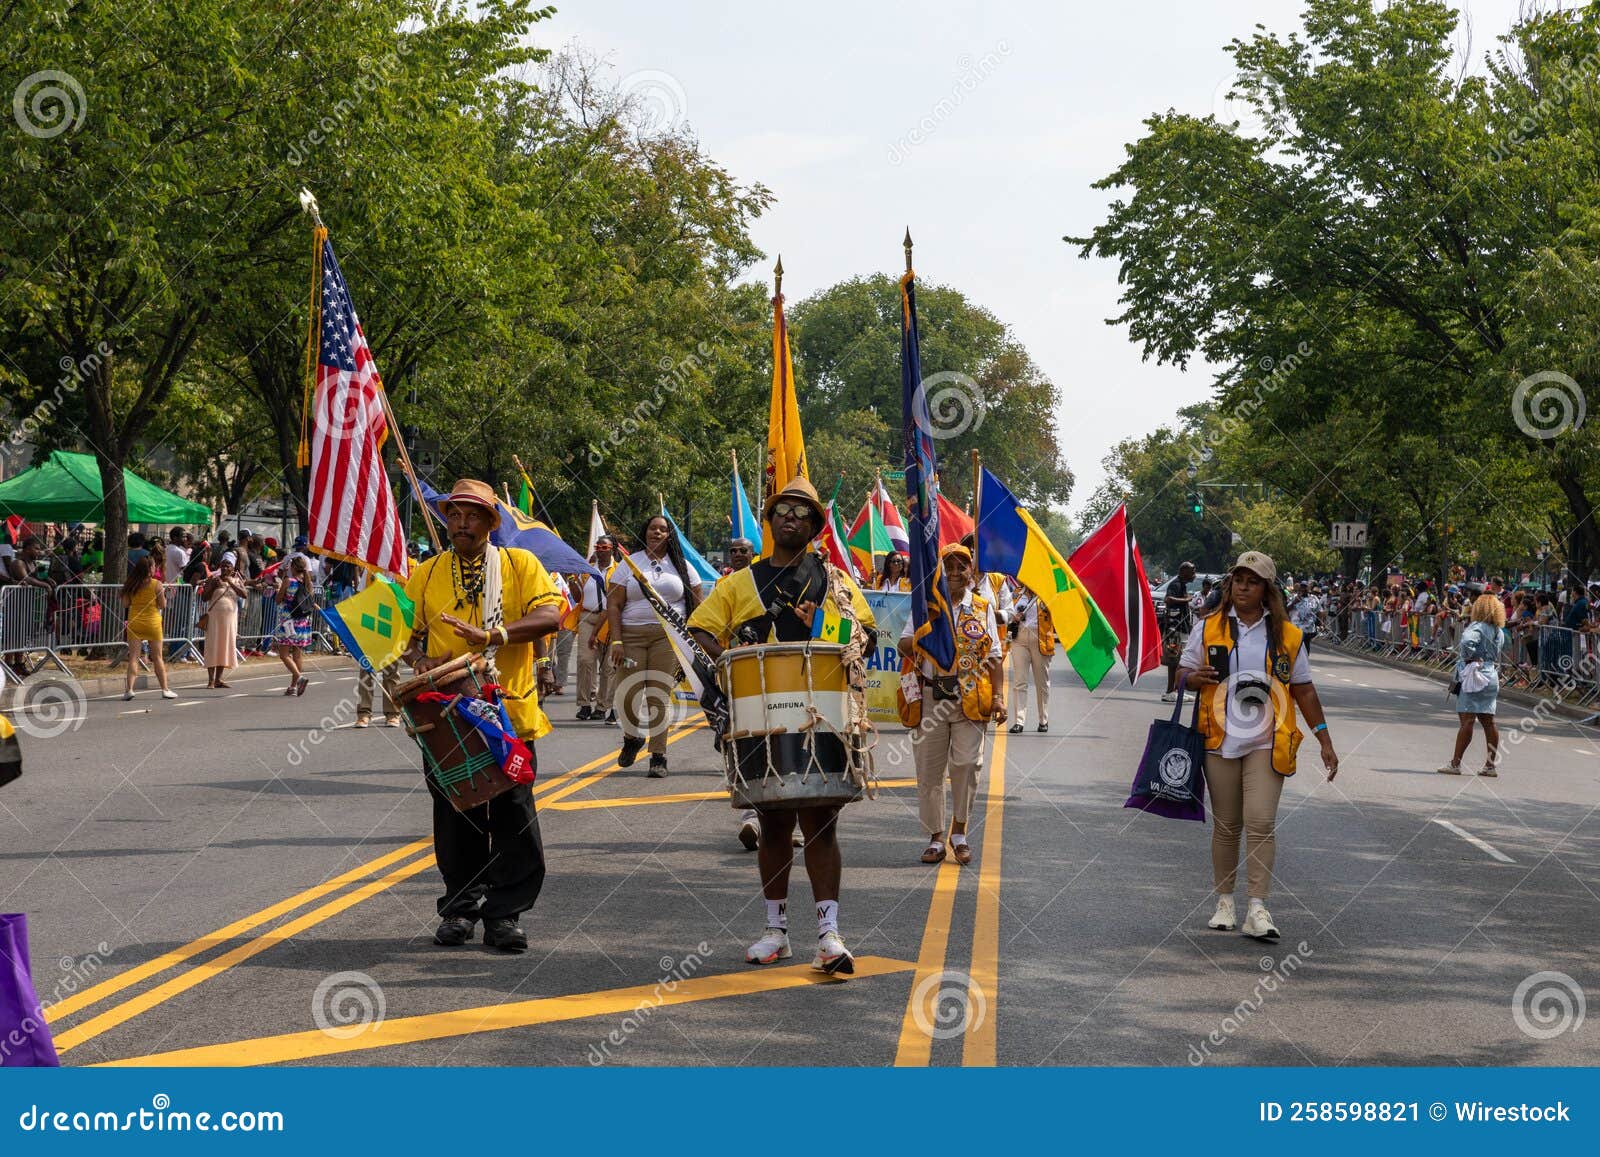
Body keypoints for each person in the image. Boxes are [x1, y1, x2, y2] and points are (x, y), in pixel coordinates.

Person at [688, 476, 877, 974]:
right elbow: (701, 628)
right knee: (773, 822)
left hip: (822, 715)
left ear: (815, 526)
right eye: (782, 512)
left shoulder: (834, 580)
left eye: (801, 513)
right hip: (763, 719)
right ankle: (776, 932)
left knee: (820, 825)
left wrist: (822, 623)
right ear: (770, 522)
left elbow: (866, 639)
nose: (790, 518)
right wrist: (733, 652)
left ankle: (829, 935)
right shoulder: (738, 582)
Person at [402, 478, 563, 953]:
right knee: (456, 814)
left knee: (512, 814)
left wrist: (491, 636)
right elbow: (405, 636)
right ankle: (460, 907)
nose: (461, 523)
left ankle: (504, 915)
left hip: (508, 714)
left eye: (472, 515)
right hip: (447, 719)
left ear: (492, 523)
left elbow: (551, 617)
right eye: (454, 515)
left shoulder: (520, 564)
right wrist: (419, 660)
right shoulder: (427, 573)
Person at [1176, 551, 1339, 942]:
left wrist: (1324, 739)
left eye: (1253, 581)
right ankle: (1225, 903)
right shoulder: (1208, 627)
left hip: (1268, 740)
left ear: (1267, 589)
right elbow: (1181, 673)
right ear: (1230, 586)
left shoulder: (1288, 635)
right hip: (1219, 739)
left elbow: (1303, 688)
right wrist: (1192, 677)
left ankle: (1258, 908)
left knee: (1262, 822)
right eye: (1238, 580)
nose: (1244, 587)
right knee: (1227, 825)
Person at [898, 542, 1007, 867]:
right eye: (950, 566)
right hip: (930, 698)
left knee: (967, 766)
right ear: (939, 572)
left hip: (970, 699)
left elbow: (994, 657)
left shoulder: (983, 607)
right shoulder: (924, 607)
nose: (956, 572)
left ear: (971, 572)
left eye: (963, 566)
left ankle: (959, 833)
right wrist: (927, 633)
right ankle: (935, 837)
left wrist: (999, 697)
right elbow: (904, 645)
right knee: (929, 772)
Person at [607, 513, 703, 777]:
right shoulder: (629, 564)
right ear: (645, 531)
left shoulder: (682, 566)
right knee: (627, 693)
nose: (657, 533)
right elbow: (613, 604)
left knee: (658, 695)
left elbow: (697, 605)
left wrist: (692, 638)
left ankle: (658, 756)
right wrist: (616, 640)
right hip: (630, 636)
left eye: (662, 529)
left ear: (669, 535)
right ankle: (632, 738)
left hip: (667, 637)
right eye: (652, 528)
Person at [715, 536, 767, 852]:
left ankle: (796, 824)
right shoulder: (725, 586)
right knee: (749, 742)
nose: (737, 555)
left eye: (743, 551)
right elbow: (705, 629)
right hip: (744, 673)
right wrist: (725, 654)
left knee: (793, 746)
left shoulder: (780, 577)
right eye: (733, 551)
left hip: (791, 676)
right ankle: (752, 818)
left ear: (754, 554)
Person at [1437, 594, 1506, 777]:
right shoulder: (1497, 630)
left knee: (1467, 720)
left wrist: (1470, 656)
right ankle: (1490, 766)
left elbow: (1467, 641)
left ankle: (1455, 763)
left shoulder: (1477, 626)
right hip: (1490, 674)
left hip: (1473, 673)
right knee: (1488, 721)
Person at [120, 556, 177, 701]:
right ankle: (165, 689)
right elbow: (163, 605)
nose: (155, 568)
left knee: (133, 657)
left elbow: (125, 604)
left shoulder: (130, 584)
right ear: (150, 569)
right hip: (153, 623)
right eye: (153, 566)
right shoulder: (157, 584)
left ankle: (129, 690)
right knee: (158, 657)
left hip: (134, 623)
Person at [575, 535, 618, 723]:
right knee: (585, 660)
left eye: (604, 547)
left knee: (609, 666)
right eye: (597, 547)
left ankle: (602, 707)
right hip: (587, 617)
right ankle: (584, 704)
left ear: (612, 549)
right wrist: (571, 579)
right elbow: (578, 597)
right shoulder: (586, 571)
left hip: (610, 620)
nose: (600, 550)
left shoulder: (619, 571)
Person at [1007, 587, 1054, 734]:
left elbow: (1058, 615)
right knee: (1019, 681)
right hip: (1019, 640)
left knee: (1042, 682)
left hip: (1040, 639)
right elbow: (1007, 613)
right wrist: (1013, 617)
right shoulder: (1015, 594)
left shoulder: (1047, 593)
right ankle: (1019, 722)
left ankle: (1043, 720)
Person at [200, 553, 248, 688]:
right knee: (212, 645)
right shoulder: (213, 579)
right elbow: (204, 597)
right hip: (215, 617)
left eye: (228, 566)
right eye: (223, 565)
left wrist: (231, 582)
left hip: (230, 618)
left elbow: (244, 594)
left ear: (233, 568)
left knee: (225, 646)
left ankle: (218, 679)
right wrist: (214, 587)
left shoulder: (236, 580)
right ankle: (210, 680)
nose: (225, 568)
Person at [273, 555, 315, 695]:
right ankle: (293, 686)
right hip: (302, 623)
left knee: (284, 654)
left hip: (288, 622)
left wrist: (280, 586)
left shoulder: (288, 581)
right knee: (297, 655)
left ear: (292, 567)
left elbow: (278, 600)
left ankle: (299, 677)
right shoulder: (307, 583)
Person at [1161, 561, 1197, 702]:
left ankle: (1176, 690)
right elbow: (1168, 599)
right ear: (1183, 572)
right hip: (1174, 630)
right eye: (1192, 571)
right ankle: (1170, 692)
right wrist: (1186, 599)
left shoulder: (1181, 585)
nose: (1194, 574)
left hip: (1180, 629)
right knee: (1173, 660)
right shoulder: (1175, 584)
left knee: (1178, 659)